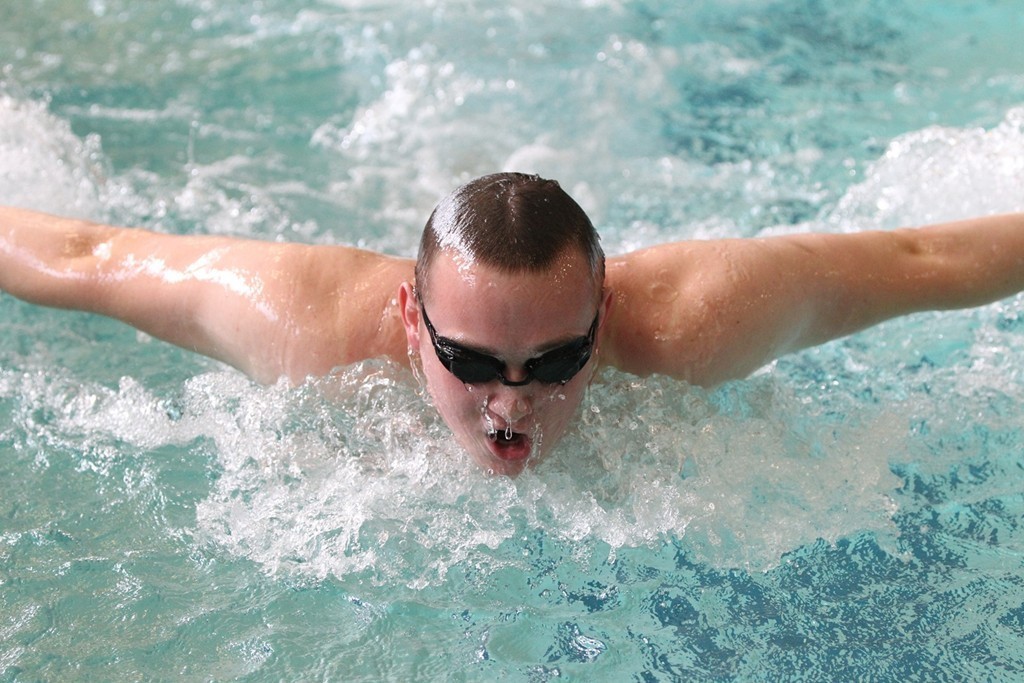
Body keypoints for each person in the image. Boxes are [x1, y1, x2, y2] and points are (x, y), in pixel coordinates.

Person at [2, 172, 1024, 475]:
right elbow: (91, 258)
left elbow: (919, 260)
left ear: (606, 310)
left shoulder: (697, 323)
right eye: (472, 360)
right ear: (410, 319)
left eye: (558, 358)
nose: (514, 400)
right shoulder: (298, 325)